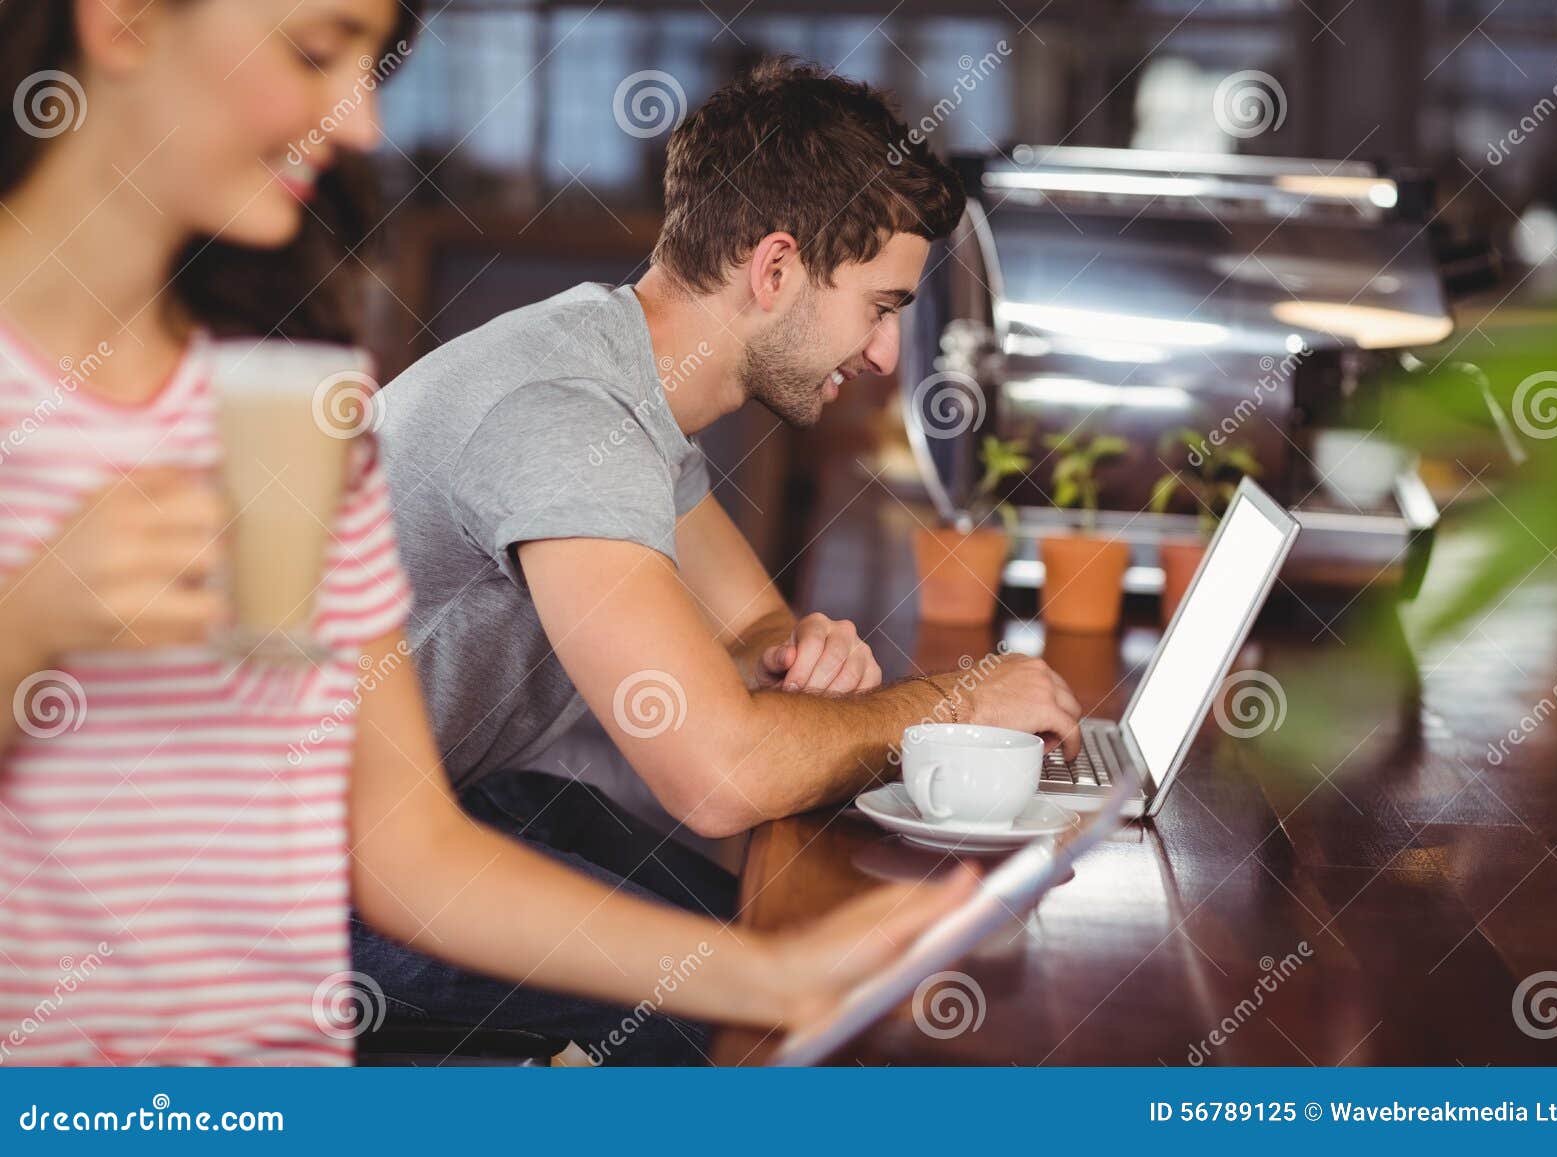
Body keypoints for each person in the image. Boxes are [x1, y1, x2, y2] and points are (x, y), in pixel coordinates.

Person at [0, 0, 975, 1067]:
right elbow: (719, 774)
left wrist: (773, 972)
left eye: (374, 67)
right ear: (125, 22)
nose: (366, 125)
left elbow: (402, 846)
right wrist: (25, 628)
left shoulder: (285, 393)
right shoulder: (552, 402)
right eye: (317, 51)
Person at [371, 58, 1085, 1058]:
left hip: (445, 798)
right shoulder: (568, 418)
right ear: (776, 268)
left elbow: (755, 630)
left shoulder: (621, 379)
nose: (884, 355)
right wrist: (961, 699)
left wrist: (786, 661)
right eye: (880, 305)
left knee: (757, 929)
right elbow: (717, 778)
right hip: (287, 878)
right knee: (742, 1012)